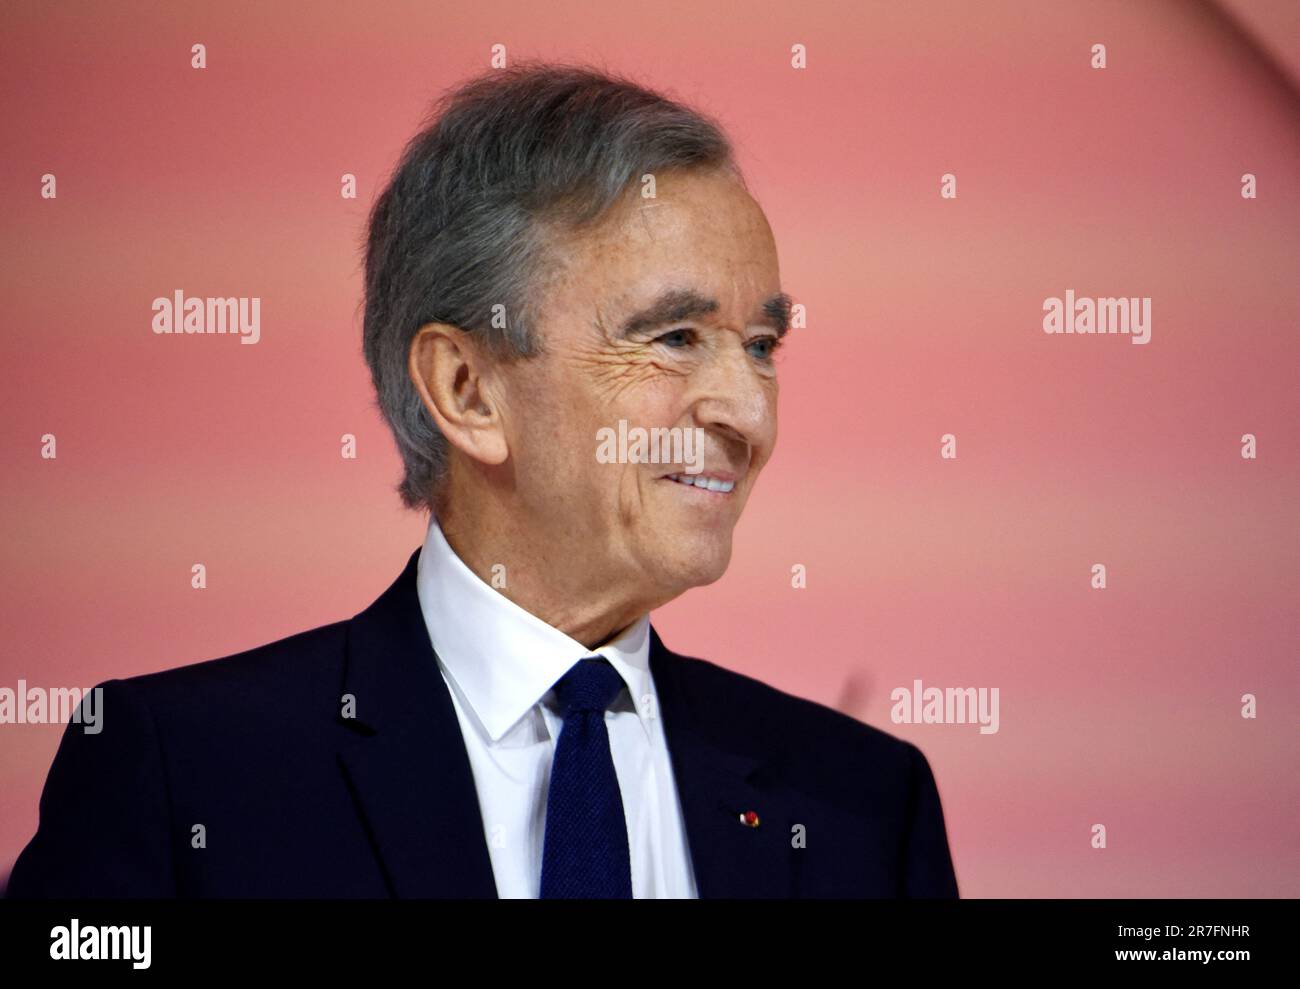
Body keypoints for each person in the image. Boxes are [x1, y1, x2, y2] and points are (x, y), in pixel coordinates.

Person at [7, 62, 958, 899]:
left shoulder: (862, 806)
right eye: (674, 338)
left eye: (760, 346)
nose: (748, 414)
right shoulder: (186, 776)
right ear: (468, 391)